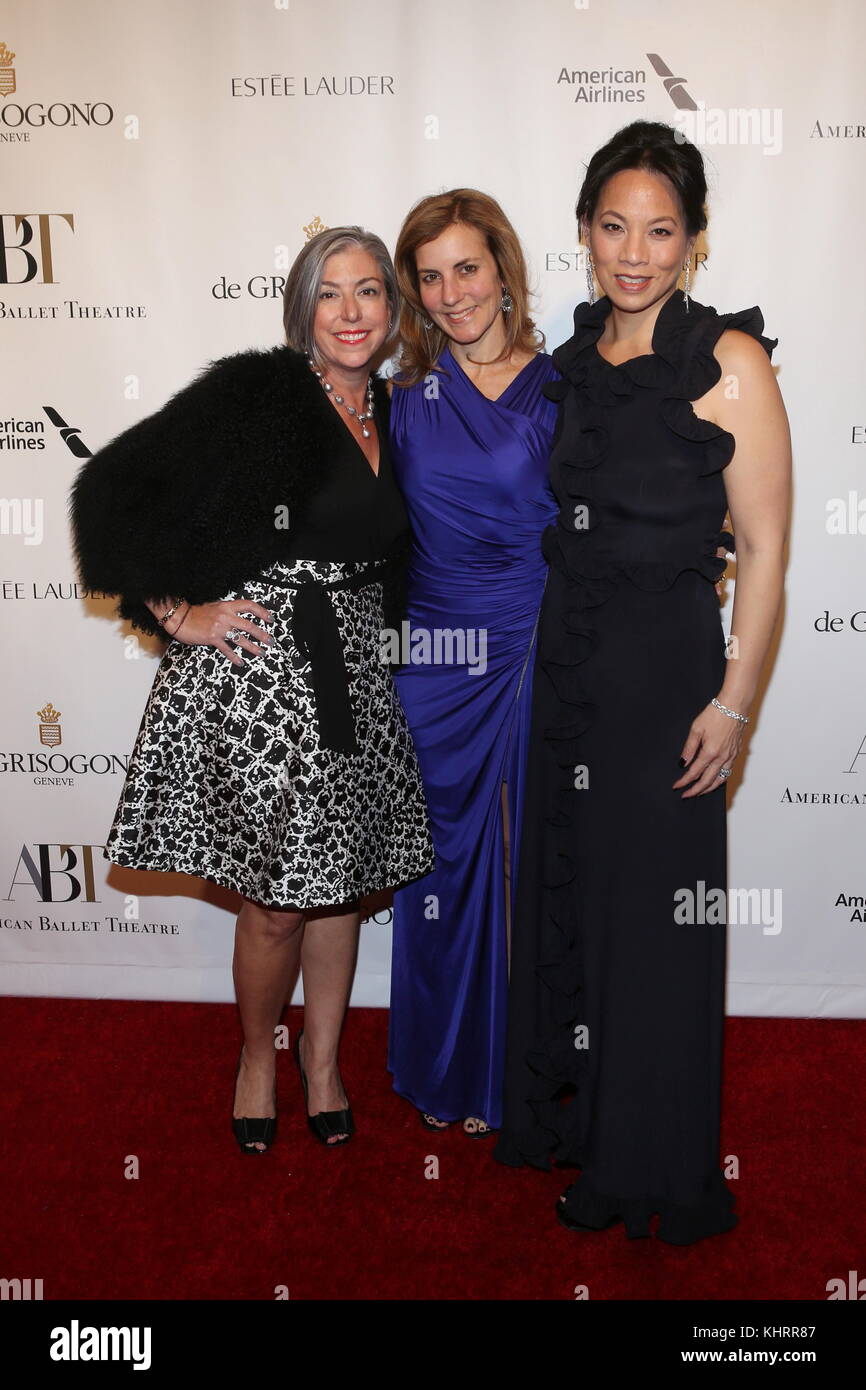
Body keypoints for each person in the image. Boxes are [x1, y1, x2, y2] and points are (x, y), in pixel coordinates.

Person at [69, 226, 435, 1155]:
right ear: (302, 309)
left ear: (394, 311)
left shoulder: (394, 409)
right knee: (277, 898)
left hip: (354, 665)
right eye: (330, 293)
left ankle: (323, 1064)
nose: (351, 313)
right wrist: (178, 615)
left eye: (369, 293)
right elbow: (112, 489)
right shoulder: (260, 394)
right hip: (264, 673)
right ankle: (257, 1061)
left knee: (342, 889)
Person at [494, 121, 791, 1244]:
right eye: (613, 225)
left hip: (669, 677)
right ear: (581, 232)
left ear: (692, 242)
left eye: (659, 229)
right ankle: (591, 1131)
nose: (633, 250)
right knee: (583, 905)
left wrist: (733, 701)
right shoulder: (567, 363)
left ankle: (657, 1166)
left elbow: (761, 549)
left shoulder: (727, 364)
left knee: (659, 922)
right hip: (567, 667)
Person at [386, 190, 560, 1135]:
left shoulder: (567, 386)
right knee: (442, 874)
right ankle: (446, 1068)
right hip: (432, 666)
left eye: (468, 267)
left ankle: (525, 1077)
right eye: (431, 274)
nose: (452, 292)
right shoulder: (402, 403)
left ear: (504, 271)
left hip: (539, 655)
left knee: (537, 865)